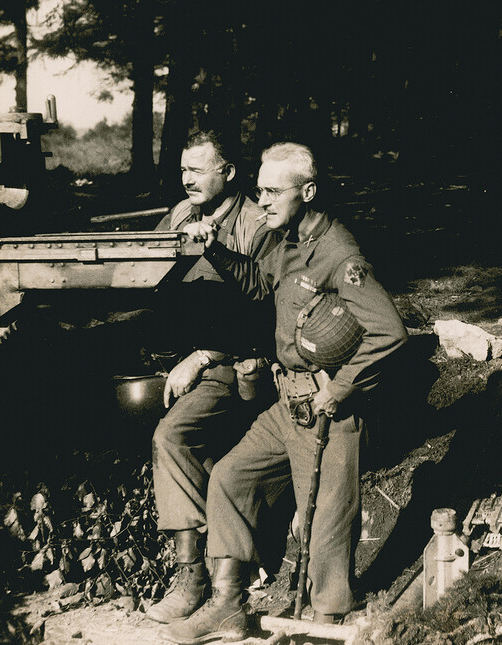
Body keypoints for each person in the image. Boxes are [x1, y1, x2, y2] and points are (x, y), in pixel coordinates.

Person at [159, 142, 407, 643]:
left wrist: (341, 388)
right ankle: (228, 605)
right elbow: (257, 283)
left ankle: (327, 621)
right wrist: (214, 248)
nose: (264, 201)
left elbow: (389, 332)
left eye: (274, 191)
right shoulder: (282, 239)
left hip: (327, 409)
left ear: (308, 192)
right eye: (260, 190)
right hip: (287, 402)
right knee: (229, 477)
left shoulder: (339, 254)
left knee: (326, 525)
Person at [146, 131, 281, 624]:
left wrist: (202, 356)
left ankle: (197, 580)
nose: (187, 178)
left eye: (198, 169)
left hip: (240, 361)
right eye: (184, 169)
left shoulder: (258, 223)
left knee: (171, 436)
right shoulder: (181, 215)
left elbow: (270, 307)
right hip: (190, 358)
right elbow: (151, 274)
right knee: (182, 445)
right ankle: (206, 570)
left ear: (228, 172)